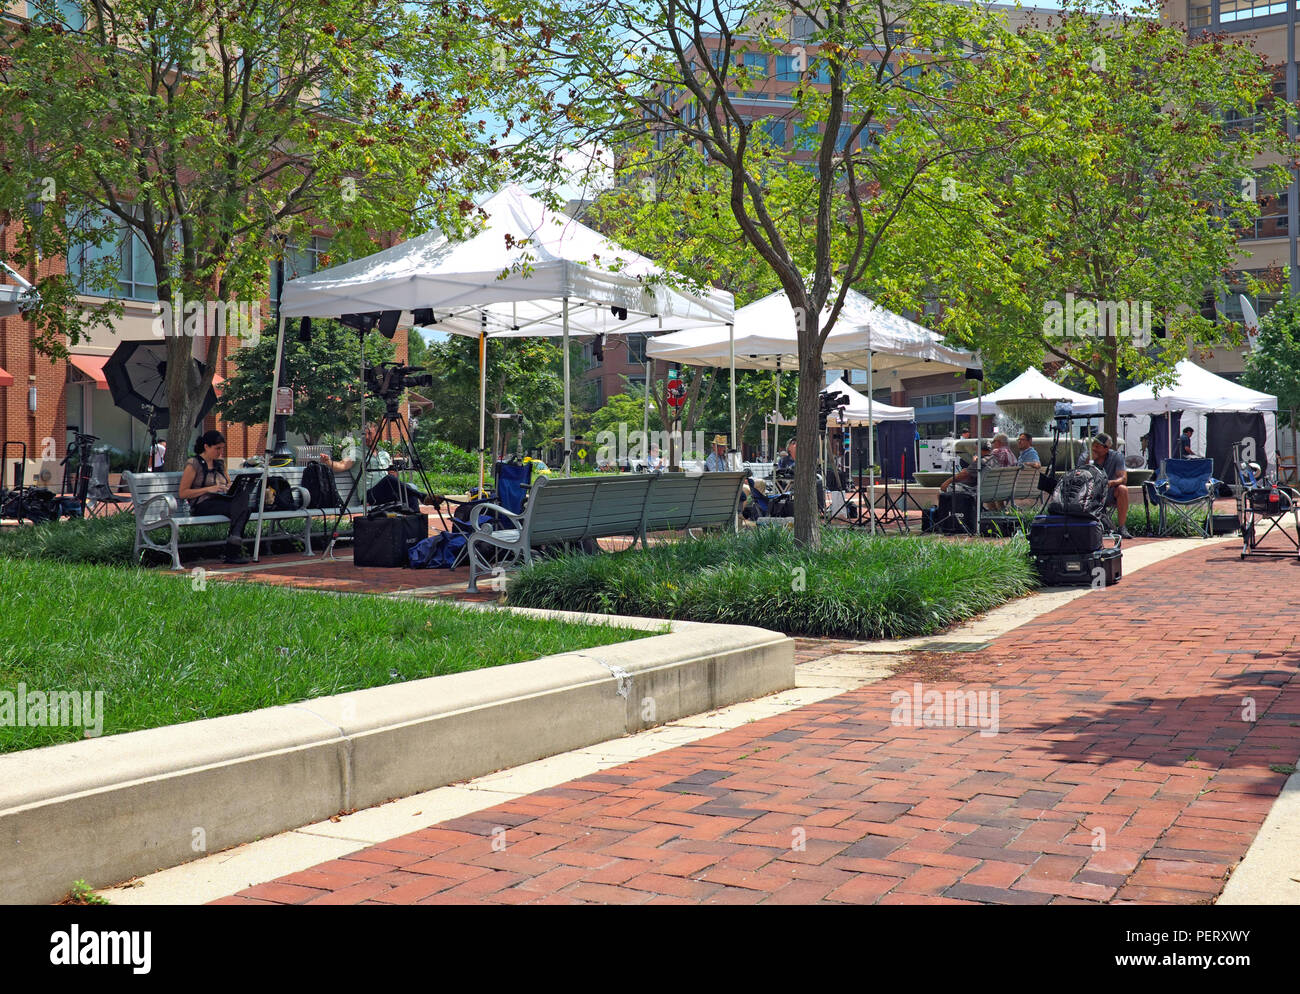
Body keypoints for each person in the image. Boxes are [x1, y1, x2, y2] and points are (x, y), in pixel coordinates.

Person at [177, 430, 250, 564]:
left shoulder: (220, 464)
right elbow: (183, 493)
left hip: (221, 501)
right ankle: (233, 550)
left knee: (242, 500)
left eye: (222, 448)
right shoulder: (194, 464)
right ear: (206, 446)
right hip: (202, 504)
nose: (220, 452)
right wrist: (209, 489)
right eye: (217, 448)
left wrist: (228, 488)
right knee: (244, 510)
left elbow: (228, 483)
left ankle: (233, 548)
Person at [319, 422, 426, 511]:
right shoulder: (355, 452)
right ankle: (423, 496)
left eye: (370, 434)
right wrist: (328, 462)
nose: (367, 437)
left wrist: (394, 474)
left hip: (385, 494)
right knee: (390, 480)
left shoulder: (384, 454)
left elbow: (391, 477)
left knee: (410, 495)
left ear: (377, 435)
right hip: (370, 496)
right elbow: (341, 465)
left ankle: (416, 523)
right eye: (364, 434)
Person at [1087, 432, 1131, 539]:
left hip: (1109, 492)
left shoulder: (1117, 457)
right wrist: (1089, 460)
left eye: (1097, 446)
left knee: (1122, 489)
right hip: (1090, 493)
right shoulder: (1086, 456)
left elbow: (1123, 478)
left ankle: (1122, 527)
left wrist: (1111, 483)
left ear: (1106, 449)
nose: (1094, 448)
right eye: (1093, 445)